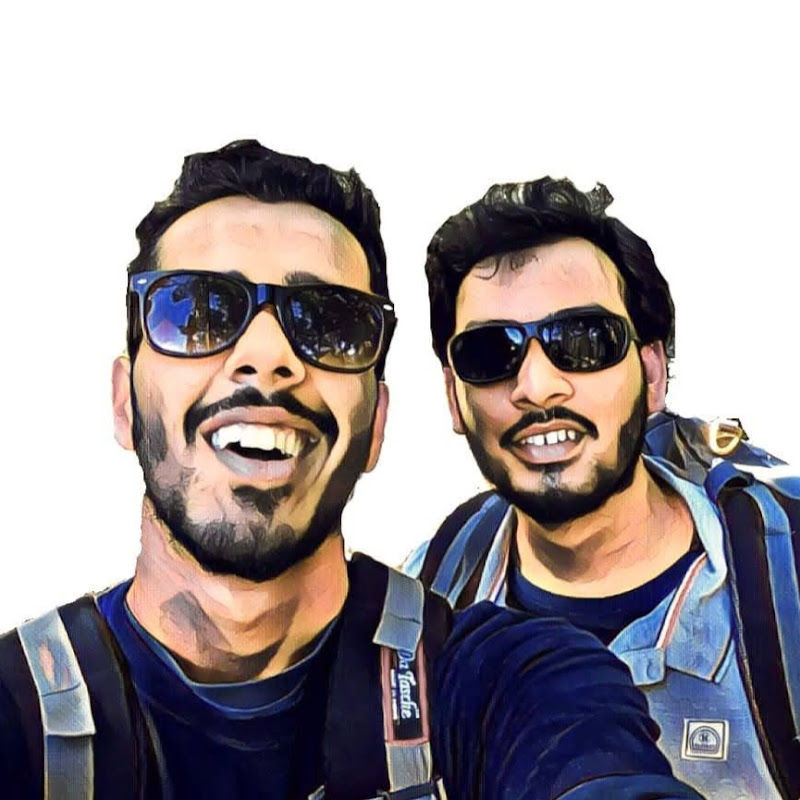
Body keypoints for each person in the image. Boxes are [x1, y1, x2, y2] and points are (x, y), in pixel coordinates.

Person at [0, 143, 702, 800]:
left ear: (377, 425)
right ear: (124, 402)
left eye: (330, 325)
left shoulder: (509, 683)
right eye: (198, 314)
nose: (266, 357)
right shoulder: (14, 706)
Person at [406, 177, 800, 800]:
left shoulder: (784, 579)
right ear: (454, 396)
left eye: (583, 341)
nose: (537, 386)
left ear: (652, 374)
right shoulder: (423, 604)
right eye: (491, 352)